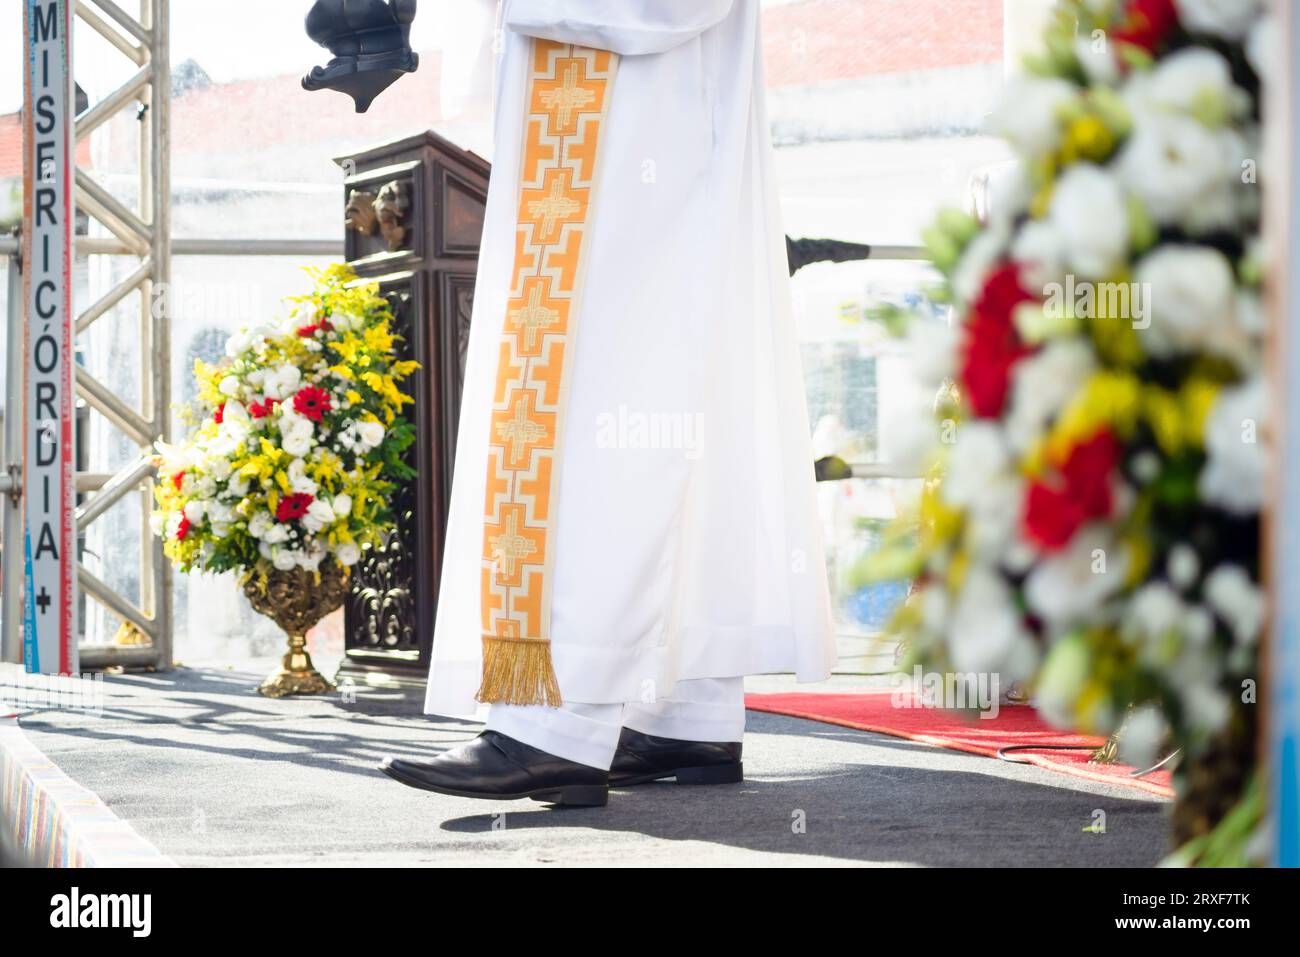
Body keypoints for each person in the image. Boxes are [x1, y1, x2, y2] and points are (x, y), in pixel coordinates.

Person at [381, 0, 836, 807]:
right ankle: (686, 713)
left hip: (632, 149)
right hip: (639, 131)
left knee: (599, 415)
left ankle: (554, 722)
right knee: (674, 413)